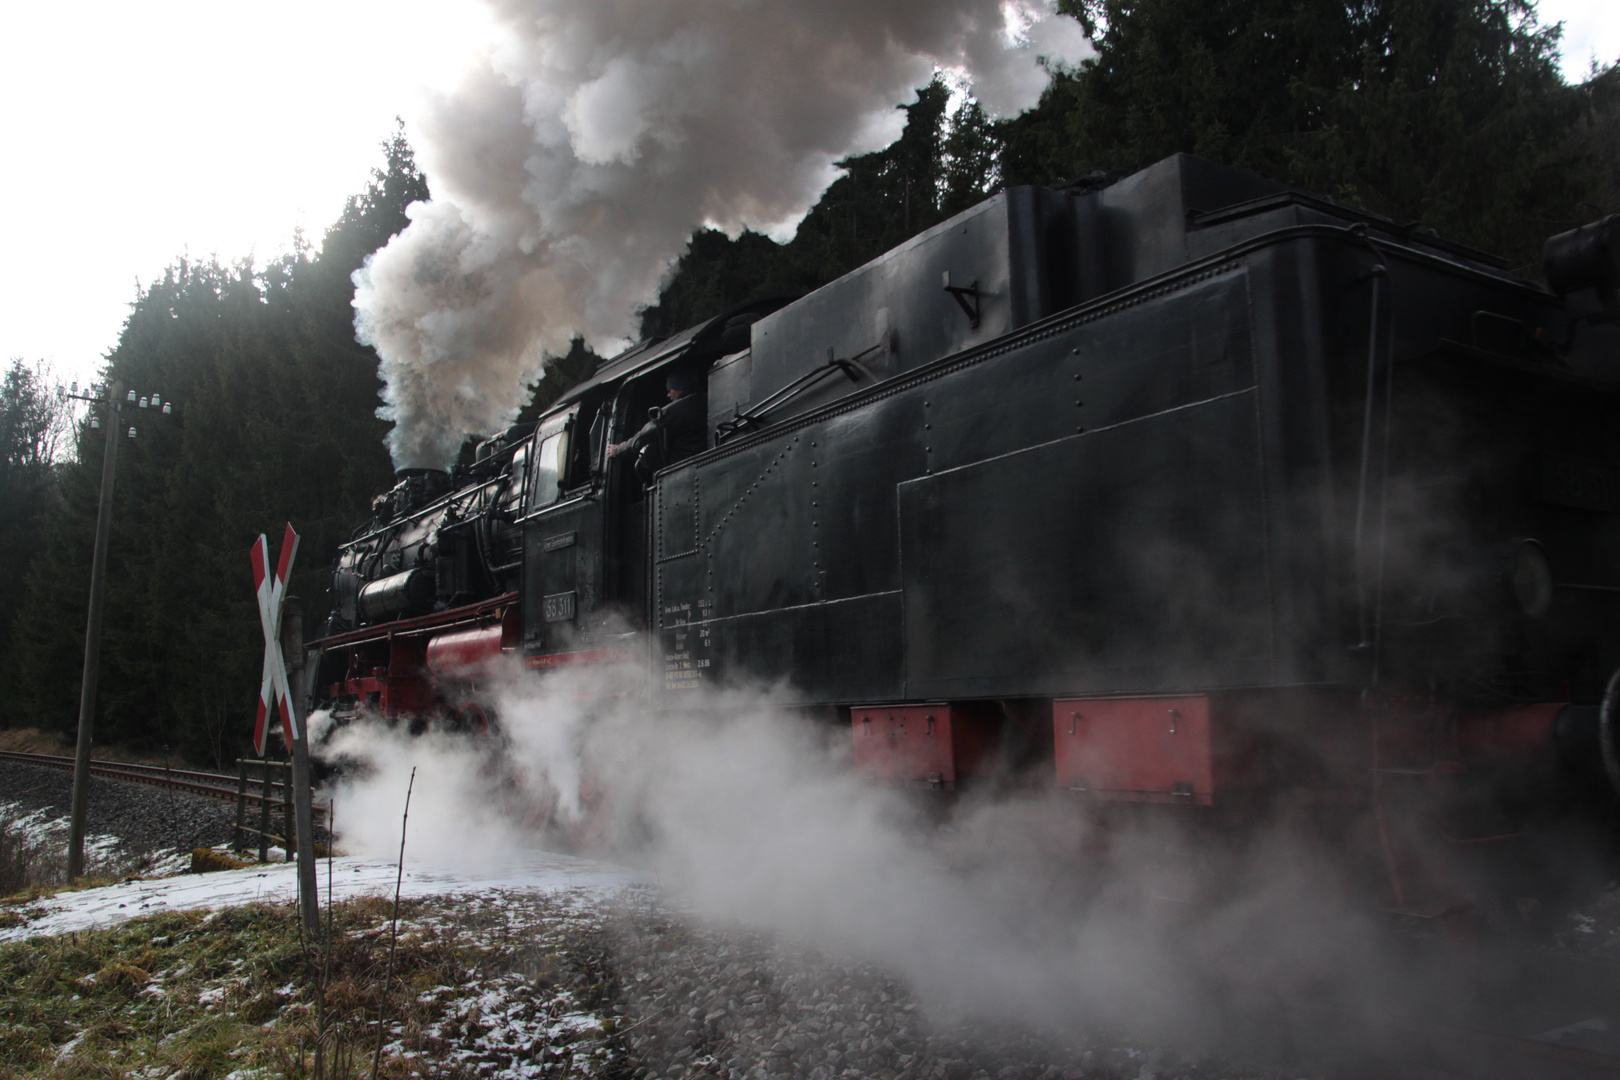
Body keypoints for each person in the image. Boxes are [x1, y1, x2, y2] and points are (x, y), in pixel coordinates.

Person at [608, 370, 707, 482]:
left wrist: (618, 449)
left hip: (682, 475)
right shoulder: (707, 400)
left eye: (670, 390)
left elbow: (642, 438)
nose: (668, 395)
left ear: (680, 388)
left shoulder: (672, 412)